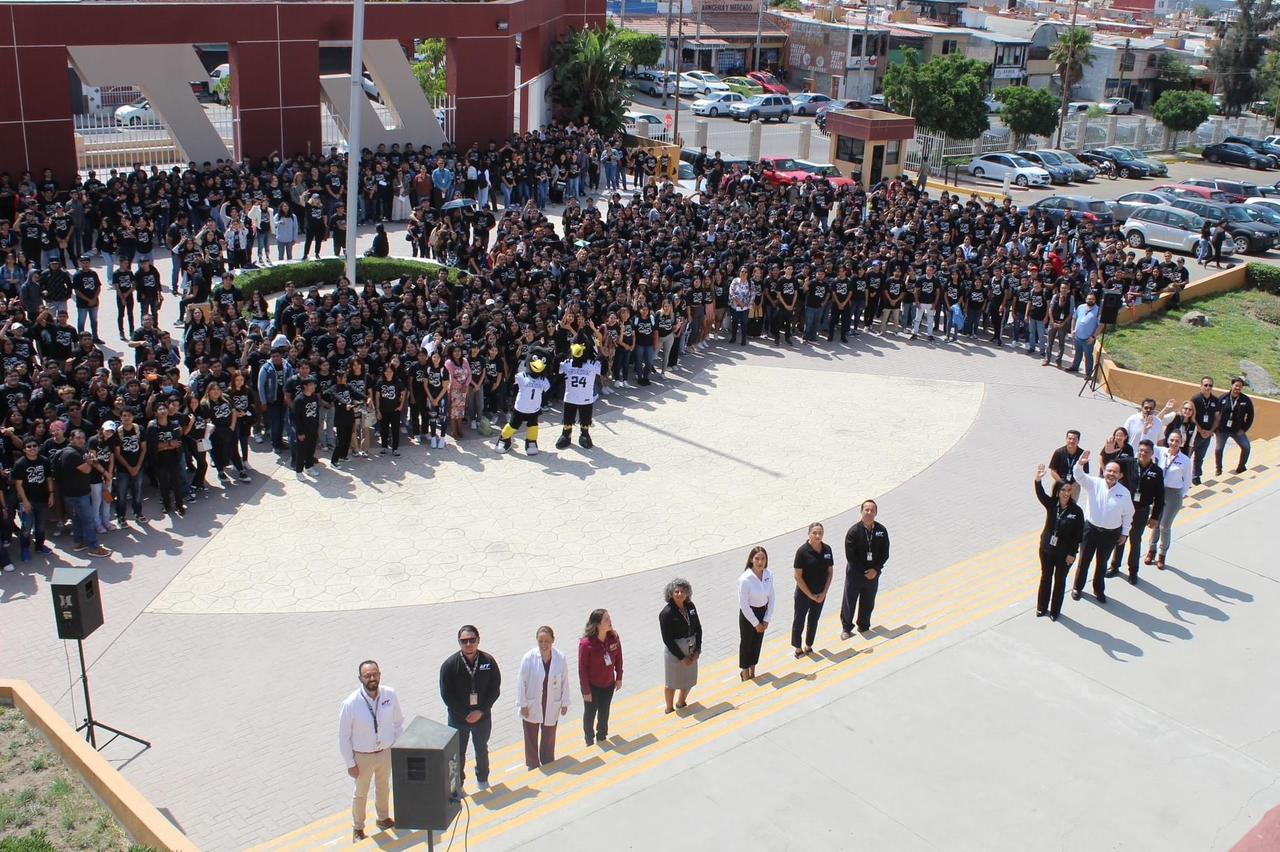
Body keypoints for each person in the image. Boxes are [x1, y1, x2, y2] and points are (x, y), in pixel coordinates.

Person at [338, 660, 403, 842]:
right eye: (367, 676)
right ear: (360, 678)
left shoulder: (390, 694)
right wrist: (350, 763)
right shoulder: (350, 704)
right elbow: (344, 738)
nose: (372, 678)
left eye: (374, 674)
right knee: (361, 793)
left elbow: (398, 723)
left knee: (383, 787)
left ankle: (383, 818)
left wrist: (397, 747)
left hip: (385, 752)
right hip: (362, 756)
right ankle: (358, 828)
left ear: (380, 675)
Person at [439, 625, 501, 792]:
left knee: (481, 748)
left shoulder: (488, 661)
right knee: (456, 753)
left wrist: (481, 710)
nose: (468, 644)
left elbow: (495, 689)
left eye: (472, 640)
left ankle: (482, 779)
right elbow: (446, 695)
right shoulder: (450, 665)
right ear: (459, 642)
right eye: (464, 641)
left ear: (478, 640)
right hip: (459, 718)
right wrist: (466, 713)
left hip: (482, 717)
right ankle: (457, 786)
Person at [1070, 452, 1134, 605]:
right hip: (1090, 530)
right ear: (1104, 471)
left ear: (1120, 475)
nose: (1111, 474)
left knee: (1101, 564)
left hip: (1110, 535)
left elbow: (1128, 514)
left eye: (1115, 472)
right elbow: (1078, 476)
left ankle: (1098, 590)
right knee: (1084, 561)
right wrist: (1080, 463)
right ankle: (1077, 588)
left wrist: (1125, 533)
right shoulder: (1094, 483)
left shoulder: (1124, 493)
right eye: (1109, 470)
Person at [1108, 439, 1164, 584]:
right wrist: (1108, 449)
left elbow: (1160, 496)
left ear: (1152, 453)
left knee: (1135, 540)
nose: (1143, 453)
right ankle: (1114, 566)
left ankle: (1133, 571)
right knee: (1120, 537)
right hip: (1124, 509)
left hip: (1141, 511)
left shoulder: (1156, 472)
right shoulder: (1128, 463)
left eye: (1146, 451)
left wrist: (1155, 517)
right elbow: (1110, 462)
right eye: (1141, 450)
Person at [1033, 465, 1084, 621]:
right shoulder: (1051, 504)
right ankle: (1042, 607)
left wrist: (1072, 554)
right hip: (1047, 549)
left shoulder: (1076, 511)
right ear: (1058, 491)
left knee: (1060, 581)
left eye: (1069, 490)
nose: (1066, 493)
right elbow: (1041, 495)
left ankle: (1055, 611)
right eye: (1063, 490)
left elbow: (1078, 534)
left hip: (1064, 554)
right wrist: (1038, 480)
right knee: (1046, 577)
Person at [516, 626, 570, 770]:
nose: (544, 645)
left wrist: (565, 702)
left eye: (547, 641)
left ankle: (548, 761)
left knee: (549, 734)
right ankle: (533, 764)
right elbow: (521, 682)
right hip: (532, 702)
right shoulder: (529, 657)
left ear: (553, 640)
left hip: (551, 702)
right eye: (540, 641)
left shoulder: (560, 658)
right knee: (531, 735)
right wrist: (523, 704)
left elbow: (565, 681)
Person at [53, 429, 110, 557]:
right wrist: (89, 462)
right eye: (78, 438)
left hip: (76, 492)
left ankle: (80, 542)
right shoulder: (71, 454)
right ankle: (94, 548)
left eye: (83, 438)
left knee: (78, 519)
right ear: (71, 439)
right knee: (88, 520)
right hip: (77, 494)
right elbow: (86, 470)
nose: (81, 440)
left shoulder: (78, 451)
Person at [841, 500, 889, 639]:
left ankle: (864, 625)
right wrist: (864, 572)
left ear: (876, 513)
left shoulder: (881, 530)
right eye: (866, 510)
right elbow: (851, 556)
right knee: (850, 601)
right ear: (861, 512)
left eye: (872, 510)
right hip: (855, 574)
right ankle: (846, 628)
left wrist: (876, 569)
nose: (869, 513)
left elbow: (885, 553)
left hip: (873, 574)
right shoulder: (853, 532)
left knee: (868, 601)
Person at [577, 609, 623, 747]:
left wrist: (619, 676)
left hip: (608, 684)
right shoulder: (586, 644)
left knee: (604, 711)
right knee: (590, 713)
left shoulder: (613, 638)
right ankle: (589, 739)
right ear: (597, 624)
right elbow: (582, 669)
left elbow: (619, 658)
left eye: (609, 618)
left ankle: (602, 736)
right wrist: (586, 691)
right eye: (606, 619)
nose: (610, 621)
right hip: (592, 686)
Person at [658, 577, 702, 713]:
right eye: (676, 591)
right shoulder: (666, 613)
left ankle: (681, 702)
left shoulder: (690, 606)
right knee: (671, 683)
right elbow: (667, 640)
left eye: (683, 591)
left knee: (689, 678)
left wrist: (697, 650)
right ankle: (669, 708)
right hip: (675, 651)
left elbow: (698, 628)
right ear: (671, 594)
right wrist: (682, 658)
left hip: (691, 647)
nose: (679, 594)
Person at [1150, 431, 1192, 570]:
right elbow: (1147, 443)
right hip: (1159, 492)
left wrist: (1180, 494)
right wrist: (1147, 429)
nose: (1174, 443)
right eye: (1172, 440)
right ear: (1168, 440)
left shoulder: (1185, 460)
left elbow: (1187, 481)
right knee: (1155, 522)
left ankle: (1162, 554)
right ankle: (1151, 550)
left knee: (1165, 526)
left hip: (1173, 494)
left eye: (1177, 441)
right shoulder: (1162, 452)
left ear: (1182, 443)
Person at [791, 521, 834, 656]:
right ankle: (797, 647)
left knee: (814, 619)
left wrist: (824, 593)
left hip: (820, 593)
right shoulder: (802, 552)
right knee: (799, 619)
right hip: (804, 594)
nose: (817, 536)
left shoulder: (827, 549)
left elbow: (830, 572)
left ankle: (809, 644)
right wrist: (810, 595)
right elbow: (798, 576)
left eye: (820, 533)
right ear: (809, 534)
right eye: (814, 533)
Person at [736, 545, 774, 681]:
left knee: (757, 643)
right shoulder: (745, 579)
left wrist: (766, 619)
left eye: (763, 558)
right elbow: (744, 605)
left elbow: (772, 598)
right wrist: (755, 623)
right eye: (757, 559)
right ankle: (745, 673)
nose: (760, 562)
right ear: (751, 560)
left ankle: (753, 670)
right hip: (749, 615)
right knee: (747, 643)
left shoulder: (769, 575)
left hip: (762, 612)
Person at [1213, 377, 1254, 476]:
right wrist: (1215, 428)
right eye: (1236, 385)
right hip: (1222, 430)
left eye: (1240, 386)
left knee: (1246, 447)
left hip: (1237, 430)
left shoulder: (1246, 400)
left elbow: (1250, 415)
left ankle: (1241, 467)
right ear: (1232, 386)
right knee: (1218, 449)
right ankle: (1219, 469)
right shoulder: (1223, 398)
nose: (1238, 388)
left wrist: (1244, 429)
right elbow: (1215, 413)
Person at [1190, 376, 1219, 485]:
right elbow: (1192, 416)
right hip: (1195, 433)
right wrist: (1200, 430)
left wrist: (1211, 431)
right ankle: (1181, 475)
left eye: (1210, 385)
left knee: (1200, 457)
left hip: (1207, 434)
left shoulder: (1215, 401)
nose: (1208, 387)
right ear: (1201, 386)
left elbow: (1217, 417)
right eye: (1205, 385)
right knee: (1187, 454)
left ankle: (1196, 476)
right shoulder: (1195, 399)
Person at [292, 375, 320, 476]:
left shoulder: (315, 397)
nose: (313, 386)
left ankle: (309, 467)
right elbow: (296, 418)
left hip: (313, 428)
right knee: (301, 451)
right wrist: (300, 432)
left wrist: (317, 427)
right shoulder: (299, 400)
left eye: (314, 384)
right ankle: (299, 471)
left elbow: (316, 413)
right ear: (305, 386)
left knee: (311, 449)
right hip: (303, 430)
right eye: (311, 385)